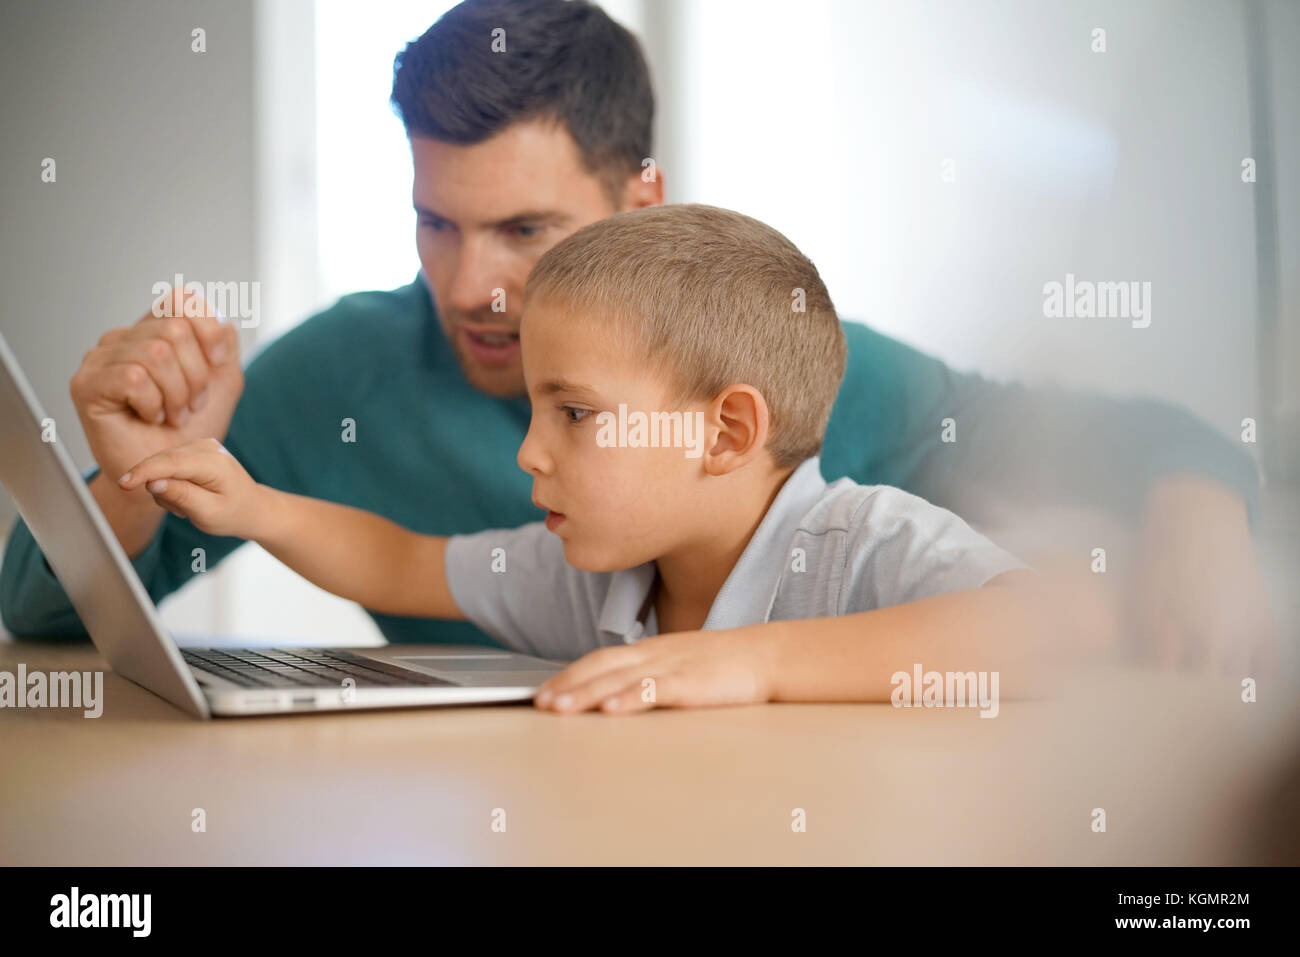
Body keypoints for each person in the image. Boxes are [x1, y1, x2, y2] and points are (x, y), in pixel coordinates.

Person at [0, 0, 1274, 677]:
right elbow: (42, 625)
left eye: (525, 230)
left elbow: (1091, 453)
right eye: (436, 224)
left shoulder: (783, 359)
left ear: (639, 203)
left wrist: (1200, 498)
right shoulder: (341, 372)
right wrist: (140, 473)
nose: (472, 286)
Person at [115, 204, 1089, 715]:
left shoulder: (859, 541)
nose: (529, 451)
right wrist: (254, 506)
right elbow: (403, 561)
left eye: (575, 413)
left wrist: (754, 662)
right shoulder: (590, 575)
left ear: (725, 433)